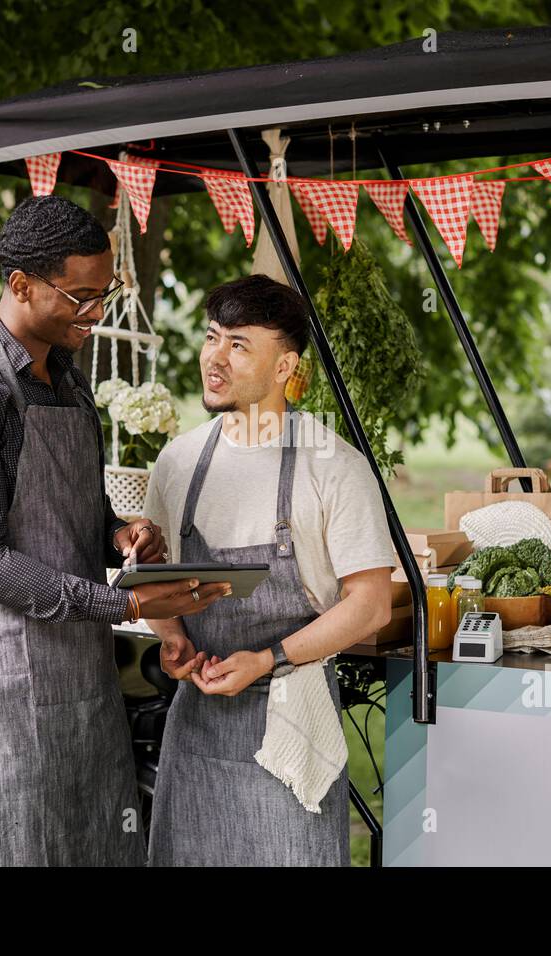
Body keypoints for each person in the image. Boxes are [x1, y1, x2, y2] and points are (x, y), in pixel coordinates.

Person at [0, 196, 228, 866]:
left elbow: (66, 504)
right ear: (20, 285)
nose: (97, 313)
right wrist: (129, 603)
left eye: (104, 293)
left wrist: (117, 533)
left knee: (100, 847)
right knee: (21, 849)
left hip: (81, 667)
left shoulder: (67, 377)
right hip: (5, 677)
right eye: (80, 296)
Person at [143, 274, 395, 866]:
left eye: (238, 345)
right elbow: (160, 583)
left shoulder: (333, 465)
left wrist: (266, 659)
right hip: (197, 721)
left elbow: (370, 603)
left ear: (285, 366)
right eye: (211, 337)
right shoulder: (179, 461)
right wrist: (174, 639)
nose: (214, 358)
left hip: (292, 718)